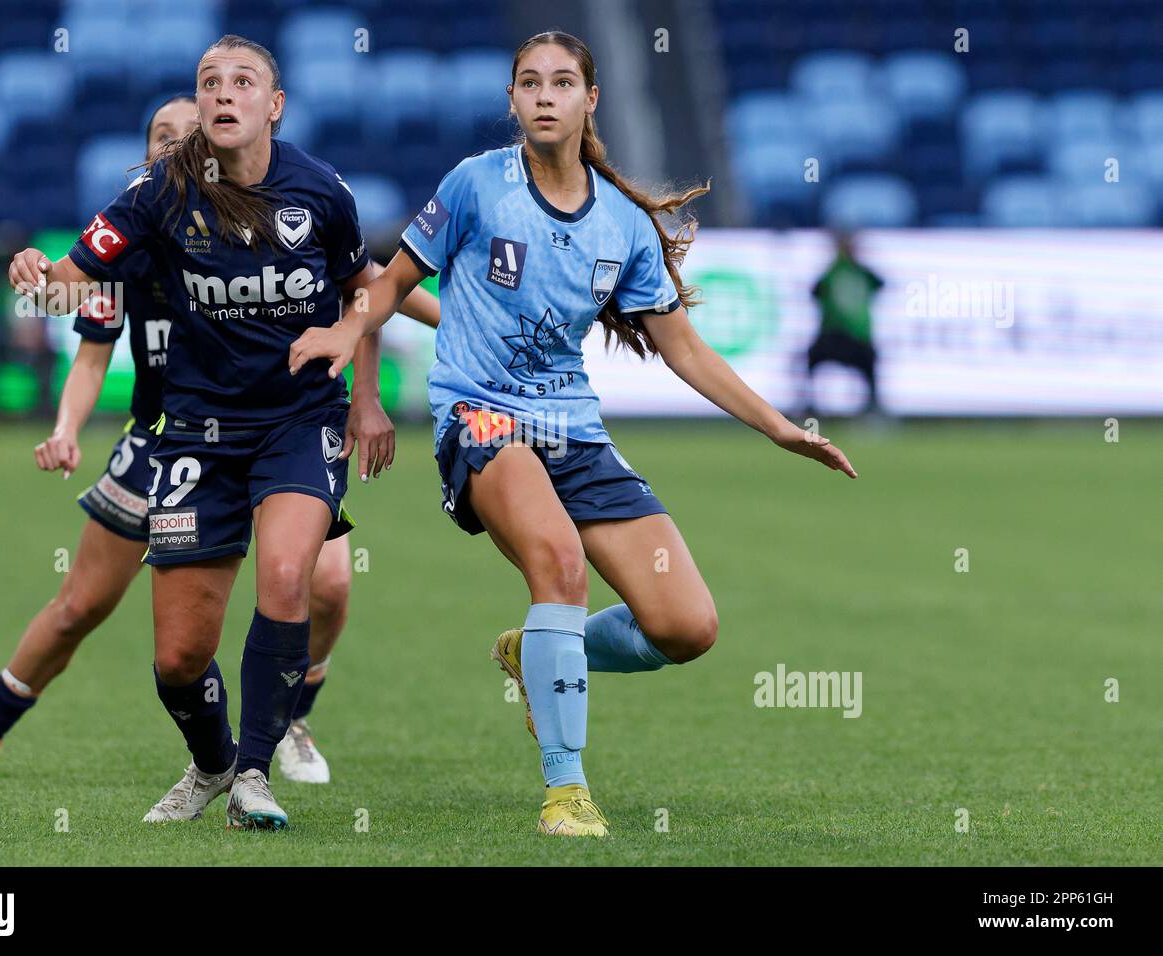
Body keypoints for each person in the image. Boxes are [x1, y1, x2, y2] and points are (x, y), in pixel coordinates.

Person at [289, 31, 858, 837]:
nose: (545, 95)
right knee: (558, 562)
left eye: (562, 83)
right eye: (530, 83)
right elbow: (390, 283)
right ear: (514, 101)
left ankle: (537, 652)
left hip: (574, 430)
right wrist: (356, 363)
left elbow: (683, 348)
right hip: (479, 417)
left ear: (591, 100)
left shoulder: (621, 223)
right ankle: (567, 792)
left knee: (685, 627)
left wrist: (777, 428)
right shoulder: (475, 185)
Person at [0, 94, 435, 788]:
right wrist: (63, 408)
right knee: (82, 606)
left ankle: (289, 721)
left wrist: (453, 329)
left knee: (330, 587)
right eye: (161, 136)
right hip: (166, 442)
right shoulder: (137, 231)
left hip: (282, 429)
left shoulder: (272, 219)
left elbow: (368, 289)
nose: (174, 145)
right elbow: (82, 330)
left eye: (186, 134)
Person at [807, 231, 884, 415]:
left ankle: (872, 407)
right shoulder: (856, 272)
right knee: (812, 358)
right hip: (844, 335)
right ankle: (810, 405)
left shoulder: (838, 272)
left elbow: (815, 291)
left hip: (845, 336)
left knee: (813, 359)